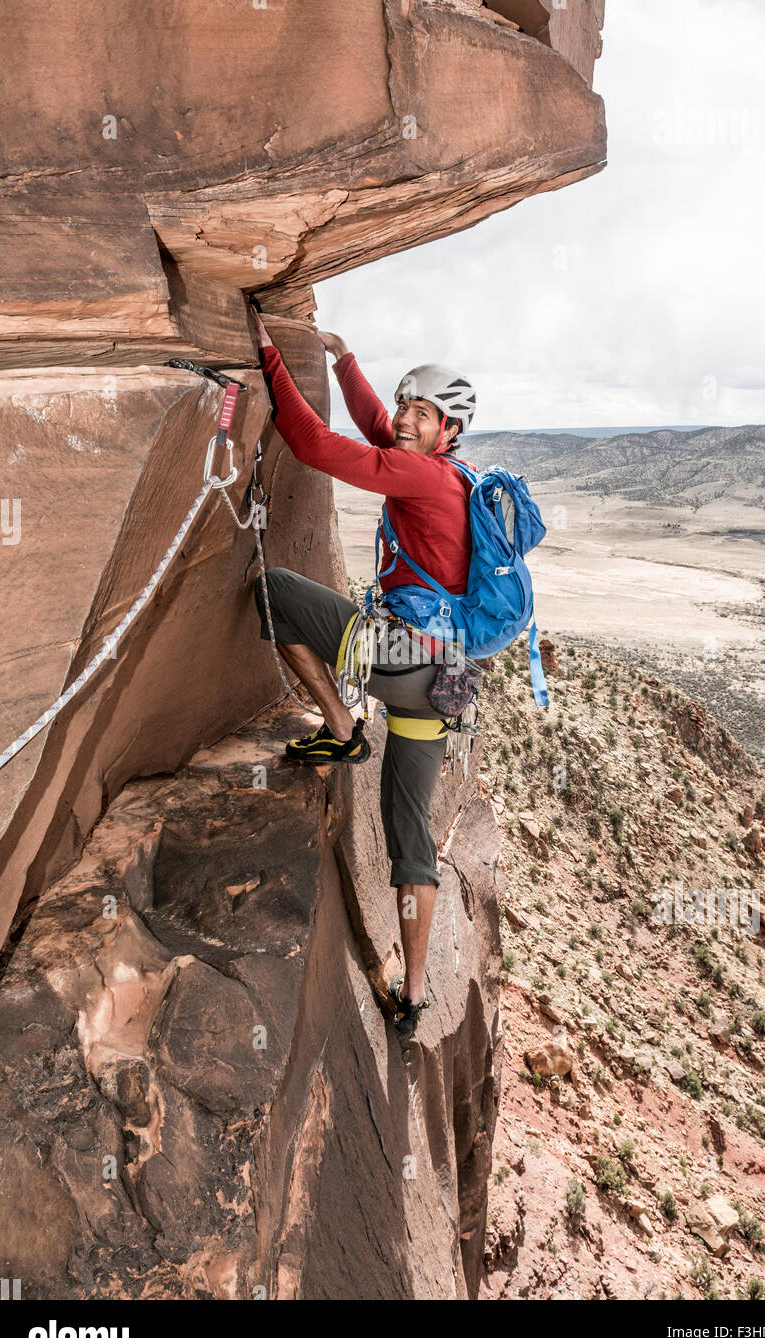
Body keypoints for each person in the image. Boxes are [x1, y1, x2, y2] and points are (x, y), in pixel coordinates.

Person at [248, 304, 477, 1037]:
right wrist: (345, 362)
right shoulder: (456, 477)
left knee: (276, 592)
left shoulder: (423, 479)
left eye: (422, 412)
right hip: (448, 683)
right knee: (409, 836)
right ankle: (414, 994)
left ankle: (341, 726)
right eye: (407, 406)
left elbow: (315, 446)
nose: (406, 419)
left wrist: (266, 355)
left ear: (449, 428)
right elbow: (380, 431)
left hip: (405, 663)